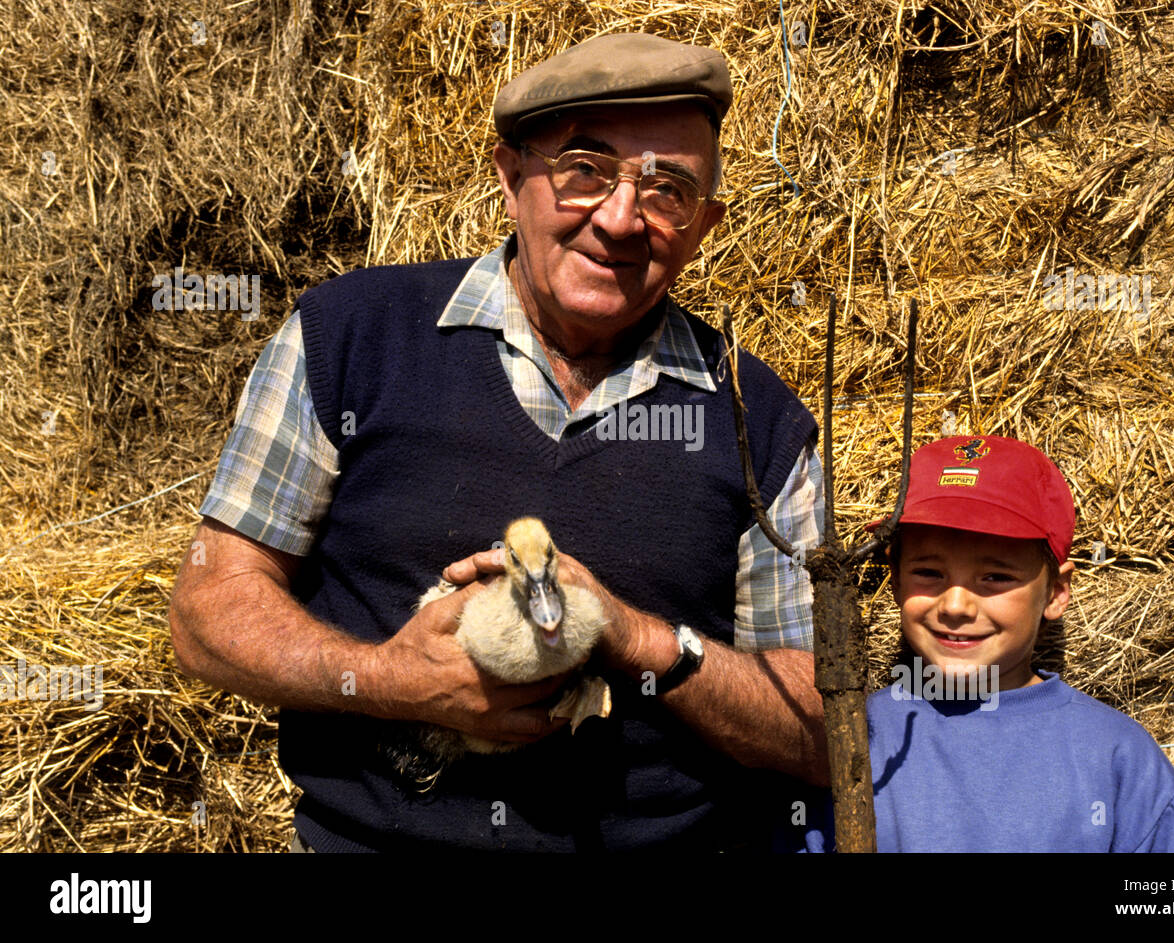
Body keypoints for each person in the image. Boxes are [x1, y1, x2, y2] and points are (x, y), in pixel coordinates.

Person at [168, 32, 830, 852]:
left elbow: (821, 734)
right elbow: (206, 610)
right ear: (511, 177)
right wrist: (390, 680)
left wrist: (639, 638)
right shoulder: (352, 338)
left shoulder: (755, 420)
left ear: (704, 226)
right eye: (582, 170)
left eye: (669, 190)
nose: (621, 218)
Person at [805, 434, 1174, 852]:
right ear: (894, 577)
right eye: (928, 572)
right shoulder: (848, 740)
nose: (957, 604)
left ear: (1055, 592)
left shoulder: (1116, 758)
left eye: (995, 578)